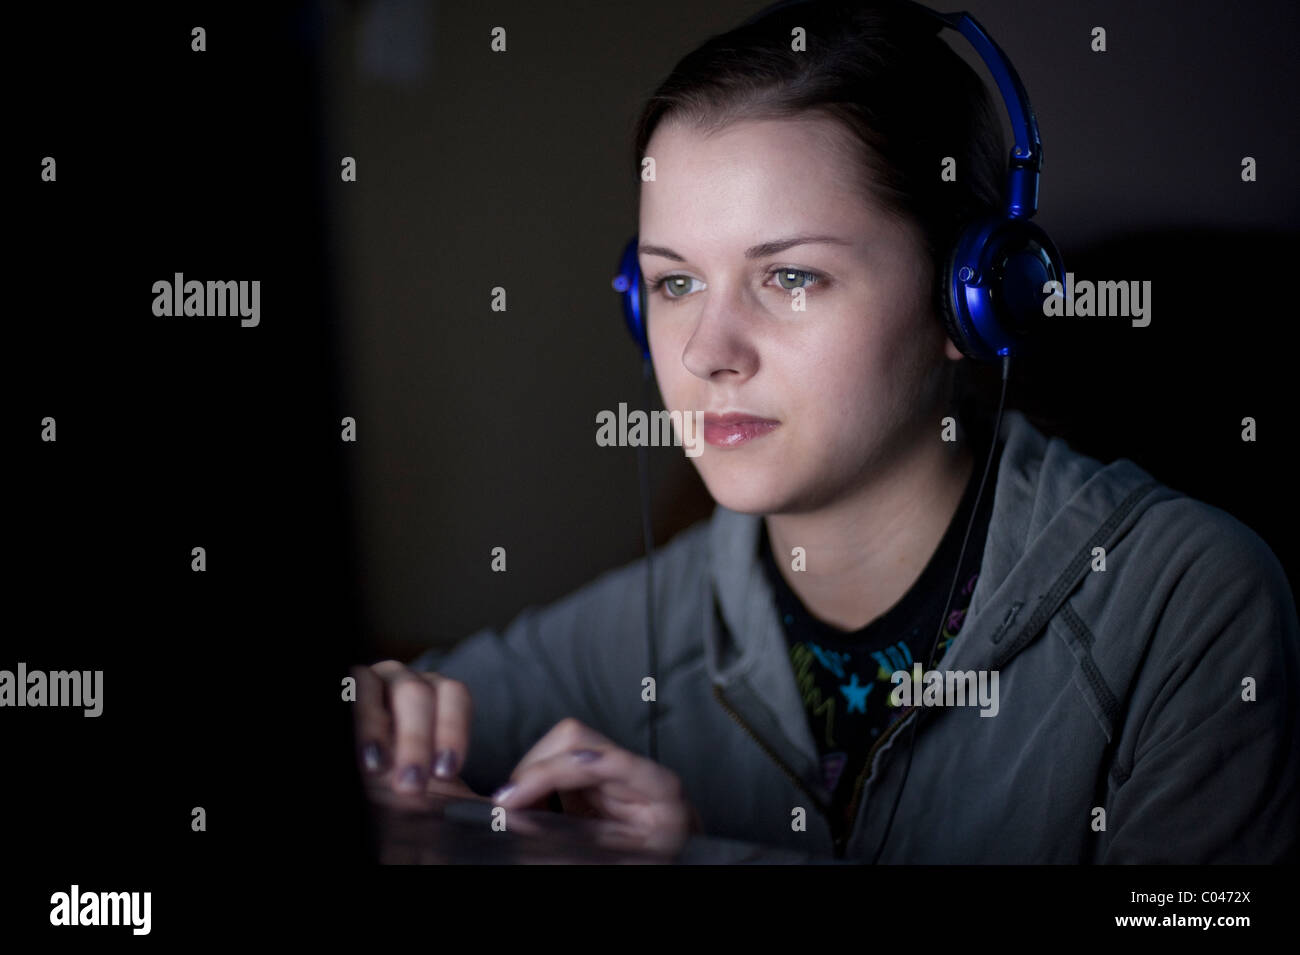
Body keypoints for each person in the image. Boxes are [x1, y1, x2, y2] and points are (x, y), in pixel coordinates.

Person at [349, 0, 1299, 862]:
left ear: (972, 300)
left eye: (790, 276)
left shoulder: (1189, 604)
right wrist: (381, 714)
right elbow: (396, 719)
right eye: (676, 283)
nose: (707, 353)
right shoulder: (649, 619)